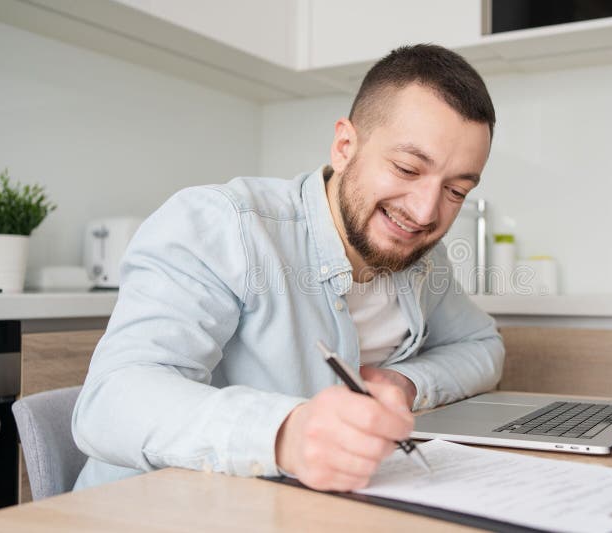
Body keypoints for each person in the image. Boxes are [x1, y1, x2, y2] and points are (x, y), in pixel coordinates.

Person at [72, 44, 504, 493]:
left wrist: (404, 382)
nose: (425, 212)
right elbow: (109, 402)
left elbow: (482, 347)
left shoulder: (421, 259)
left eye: (456, 191)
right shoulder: (223, 225)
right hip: (147, 508)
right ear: (345, 147)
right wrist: (284, 435)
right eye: (407, 168)